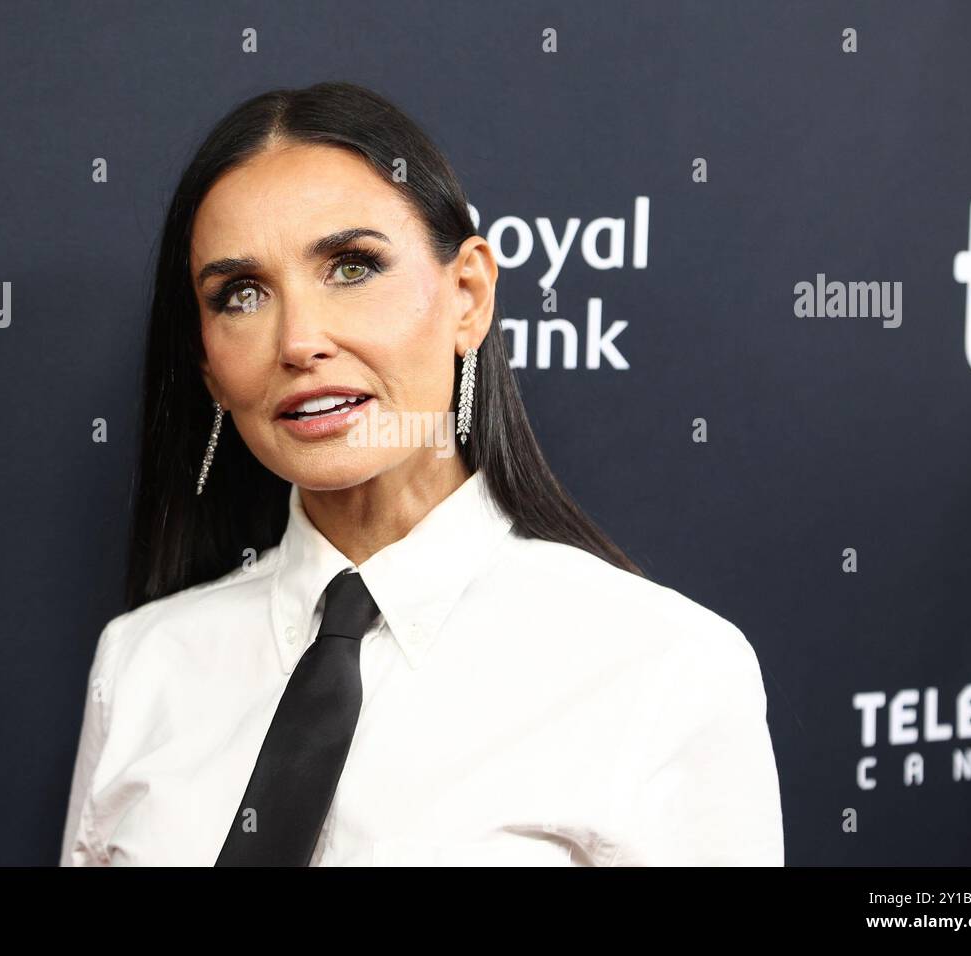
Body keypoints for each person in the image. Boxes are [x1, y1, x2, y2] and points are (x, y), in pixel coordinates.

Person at [59, 80, 783, 866]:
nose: (299, 340)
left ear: (468, 295)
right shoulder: (141, 663)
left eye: (352, 266)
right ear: (206, 364)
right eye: (242, 293)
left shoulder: (664, 666)